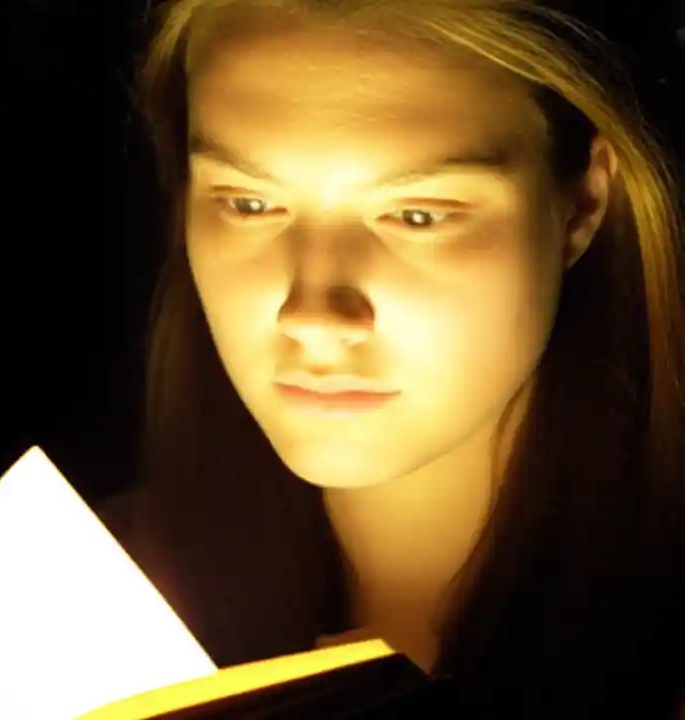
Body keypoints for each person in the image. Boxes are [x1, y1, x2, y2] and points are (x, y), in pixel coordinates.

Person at [95, 0, 683, 717]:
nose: (314, 314)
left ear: (581, 203)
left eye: (417, 215)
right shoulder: (85, 602)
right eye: (249, 204)